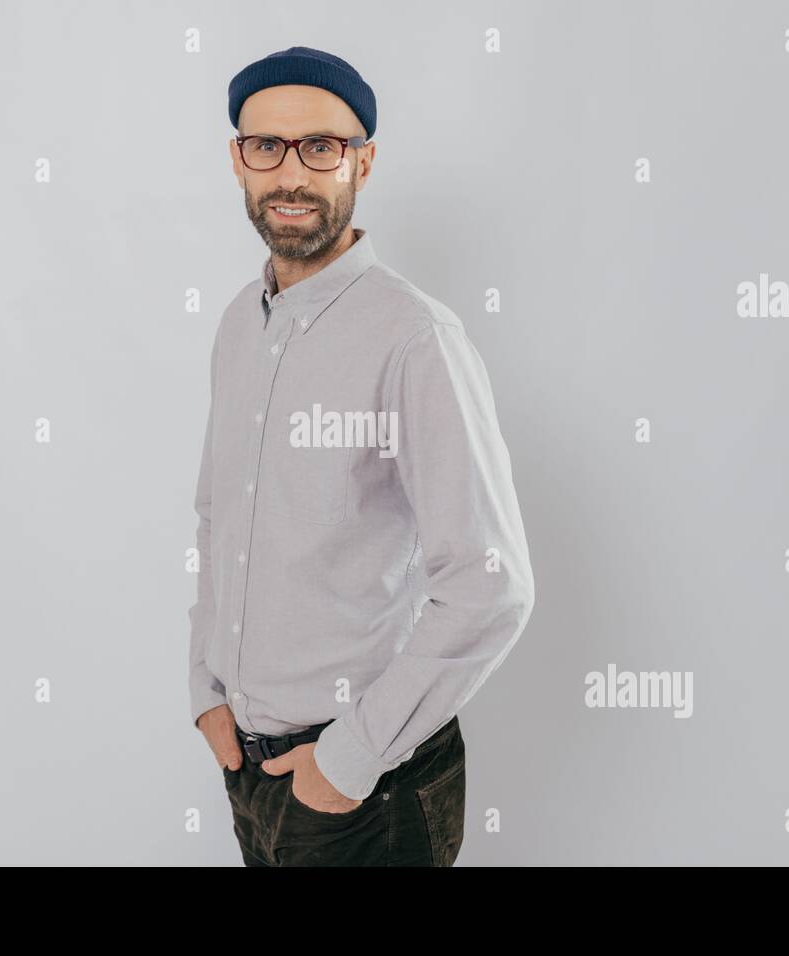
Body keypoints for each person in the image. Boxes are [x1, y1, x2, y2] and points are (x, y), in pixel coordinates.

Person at [189, 46, 535, 866]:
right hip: (253, 766)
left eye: (322, 146)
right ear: (238, 160)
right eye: (266, 146)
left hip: (364, 784)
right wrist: (204, 690)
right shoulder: (242, 321)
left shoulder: (415, 339)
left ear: (363, 162)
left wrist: (345, 763)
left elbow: (491, 586)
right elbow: (216, 516)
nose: (292, 174)